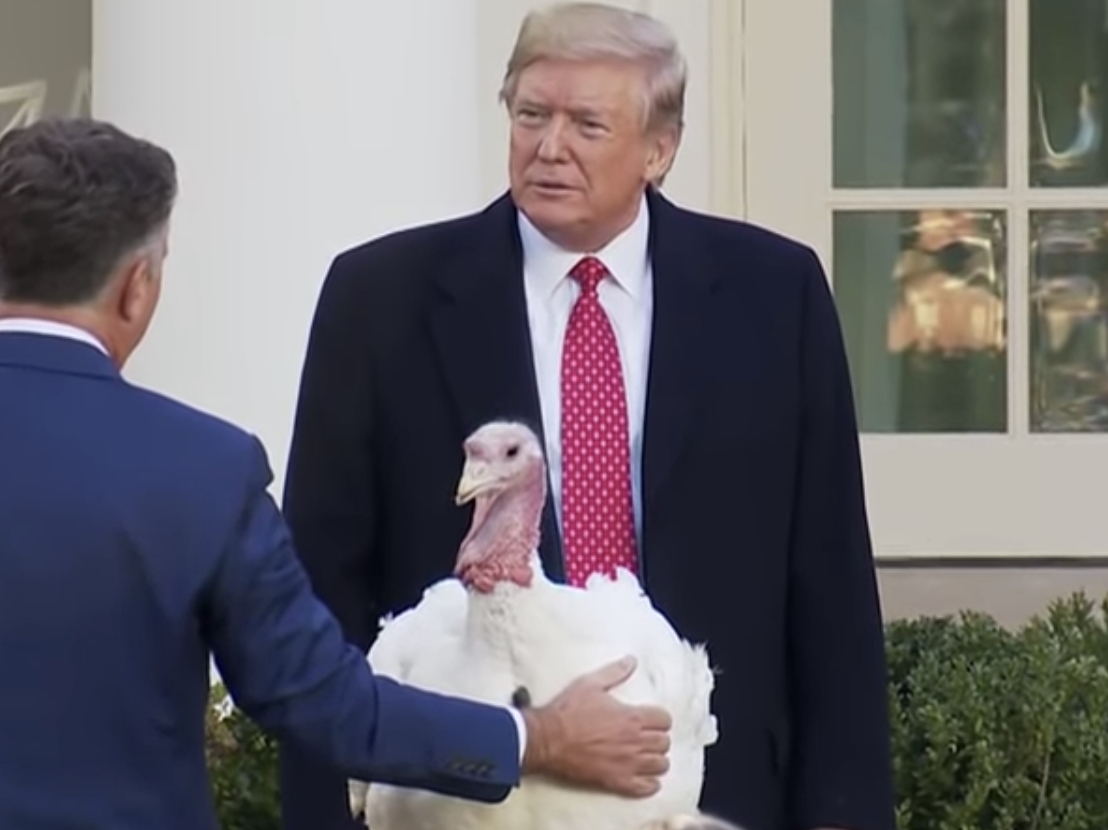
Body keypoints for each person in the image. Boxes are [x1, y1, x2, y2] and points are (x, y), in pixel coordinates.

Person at [278, 3, 896, 830]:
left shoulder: (774, 296)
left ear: (660, 149)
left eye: (587, 124)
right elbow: (322, 594)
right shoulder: (380, 299)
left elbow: (829, 595)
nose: (549, 146)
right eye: (531, 114)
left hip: (711, 797)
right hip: (460, 802)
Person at [0, 117, 674, 830]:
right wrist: (539, 738)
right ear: (138, 286)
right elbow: (325, 705)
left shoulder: (202, 470)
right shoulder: (202, 469)